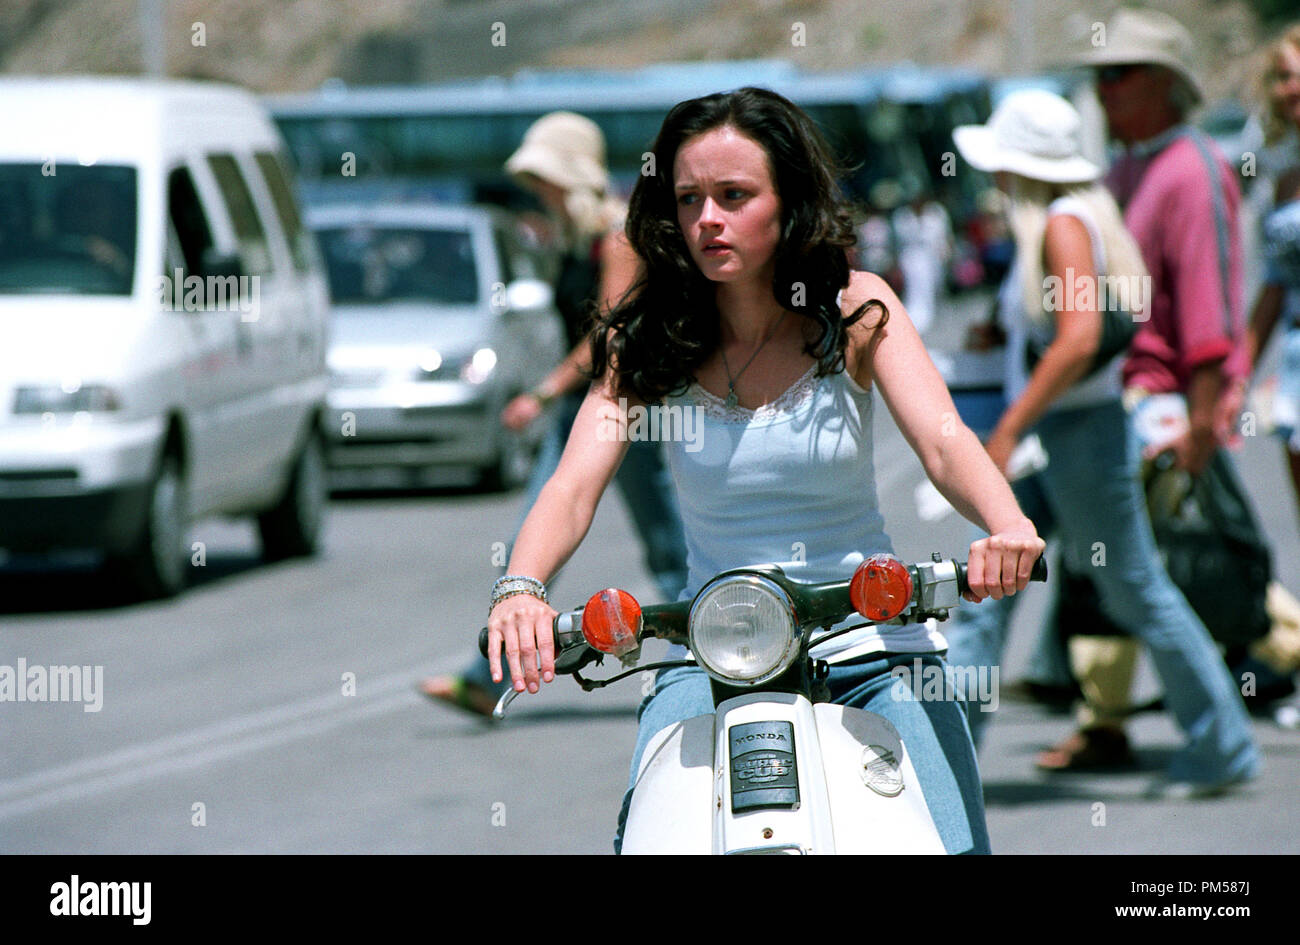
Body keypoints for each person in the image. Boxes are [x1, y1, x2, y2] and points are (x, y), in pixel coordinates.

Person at [482, 87, 1046, 855]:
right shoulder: (650, 339)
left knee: (952, 845)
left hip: (873, 645)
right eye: (688, 198)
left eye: (734, 195)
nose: (707, 217)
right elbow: (573, 484)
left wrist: (1007, 525)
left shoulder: (856, 312)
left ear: (789, 202)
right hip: (707, 655)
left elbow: (945, 442)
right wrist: (521, 586)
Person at [942, 87, 1259, 797]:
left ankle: (1224, 743)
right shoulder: (1084, 212)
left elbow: (1080, 335)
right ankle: (947, 755)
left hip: (1073, 432)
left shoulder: (1059, 223)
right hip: (1078, 428)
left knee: (1126, 588)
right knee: (992, 586)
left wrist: (1010, 425)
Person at [1039, 6, 1271, 770]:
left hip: (1164, 397)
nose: (1104, 90)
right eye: (1099, 77)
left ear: (1168, 84)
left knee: (1163, 563)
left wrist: (1205, 420)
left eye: (1121, 73)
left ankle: (1129, 719)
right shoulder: (1130, 166)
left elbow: (1210, 307)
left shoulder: (1191, 169)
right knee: (1129, 560)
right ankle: (1101, 714)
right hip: (1128, 394)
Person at [421, 112, 687, 717]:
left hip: (622, 405)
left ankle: (711, 656)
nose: (537, 191)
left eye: (545, 178)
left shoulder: (617, 237)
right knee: (530, 546)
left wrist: (541, 392)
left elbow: (608, 332)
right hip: (578, 408)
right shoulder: (568, 238)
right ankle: (487, 676)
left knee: (668, 545)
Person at [891, 188, 952, 334]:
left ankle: (933, 315)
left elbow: (944, 236)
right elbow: (899, 242)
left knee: (934, 285)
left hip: (932, 255)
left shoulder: (936, 212)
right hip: (911, 256)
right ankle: (917, 318)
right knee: (914, 288)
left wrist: (946, 253)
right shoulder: (902, 216)